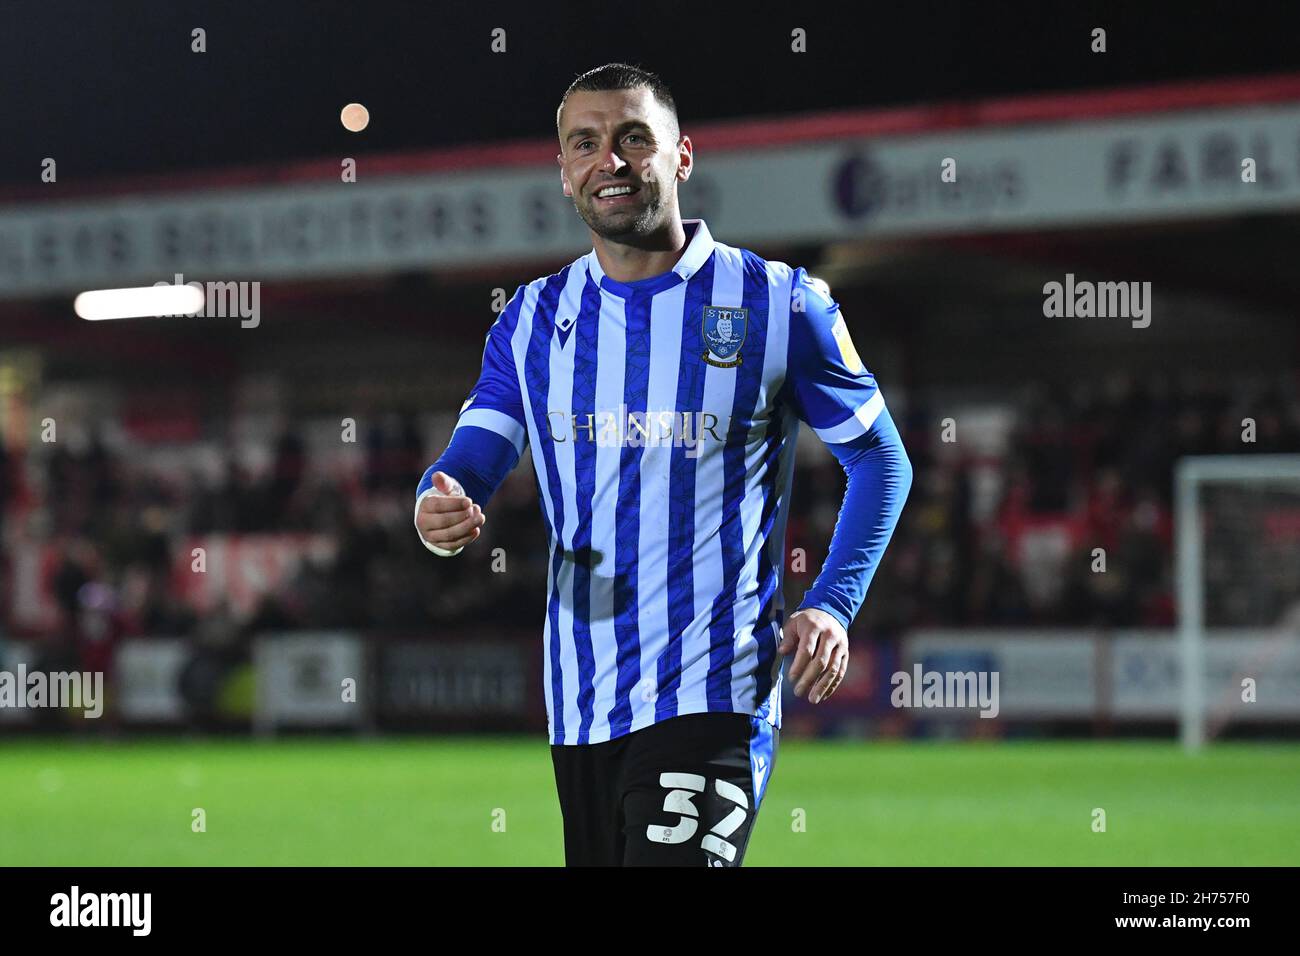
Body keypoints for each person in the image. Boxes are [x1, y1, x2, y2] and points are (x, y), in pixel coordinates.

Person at [414, 63, 912, 866]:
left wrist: (831, 604)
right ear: (564, 171)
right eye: (585, 143)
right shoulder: (531, 322)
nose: (608, 160)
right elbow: (468, 461)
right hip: (581, 703)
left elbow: (880, 461)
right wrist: (436, 507)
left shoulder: (778, 305)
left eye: (632, 138)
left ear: (681, 157)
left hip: (714, 692)